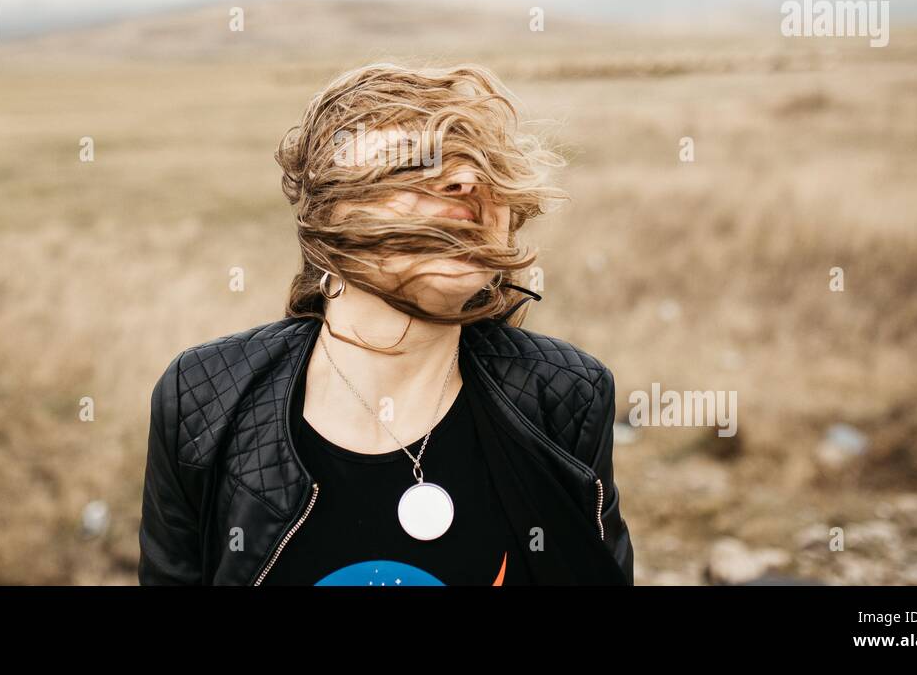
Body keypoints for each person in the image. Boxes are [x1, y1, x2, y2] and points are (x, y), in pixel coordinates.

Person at [138, 62, 634, 585]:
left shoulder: (564, 396)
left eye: (479, 163)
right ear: (327, 212)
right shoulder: (205, 397)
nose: (465, 178)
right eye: (416, 160)